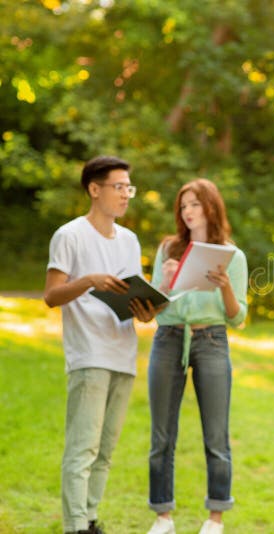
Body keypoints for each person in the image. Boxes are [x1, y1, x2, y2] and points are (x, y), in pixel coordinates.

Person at [44, 155, 159, 534]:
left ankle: (90, 520)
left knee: (105, 450)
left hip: (123, 354)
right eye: (119, 187)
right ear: (95, 190)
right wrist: (88, 280)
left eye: (130, 187)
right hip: (88, 354)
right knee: (83, 448)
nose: (127, 195)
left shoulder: (129, 240)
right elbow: (51, 295)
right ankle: (75, 526)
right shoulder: (70, 235)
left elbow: (133, 297)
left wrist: (145, 311)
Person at [145, 179, 248, 534]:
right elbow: (155, 310)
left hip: (212, 341)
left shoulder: (232, 256)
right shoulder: (168, 250)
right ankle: (163, 516)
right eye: (183, 206)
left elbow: (237, 317)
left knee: (216, 435)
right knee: (161, 435)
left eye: (194, 204)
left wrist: (225, 286)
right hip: (169, 338)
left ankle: (215, 517)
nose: (187, 212)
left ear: (211, 207)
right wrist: (164, 284)